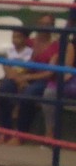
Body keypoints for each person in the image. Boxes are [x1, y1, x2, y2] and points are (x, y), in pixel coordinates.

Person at [5, 14, 60, 144]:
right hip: (23, 76)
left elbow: (49, 72)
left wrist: (28, 77)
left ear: (53, 27)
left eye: (48, 25)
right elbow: (11, 58)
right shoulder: (29, 42)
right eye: (41, 24)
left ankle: (21, 134)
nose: (44, 27)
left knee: (29, 93)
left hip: (43, 80)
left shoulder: (56, 46)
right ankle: (5, 131)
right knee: (5, 87)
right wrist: (15, 76)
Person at [0, 27, 33, 142]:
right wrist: (15, 77)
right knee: (3, 89)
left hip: (23, 80)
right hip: (12, 80)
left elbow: (27, 68)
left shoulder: (30, 52)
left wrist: (18, 77)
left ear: (25, 38)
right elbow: (6, 68)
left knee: (20, 91)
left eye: (18, 37)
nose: (15, 40)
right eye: (13, 37)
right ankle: (5, 130)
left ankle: (15, 130)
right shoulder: (8, 52)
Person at [41, 8, 76, 138]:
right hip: (72, 81)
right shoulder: (70, 45)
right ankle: (50, 132)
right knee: (49, 93)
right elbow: (66, 71)